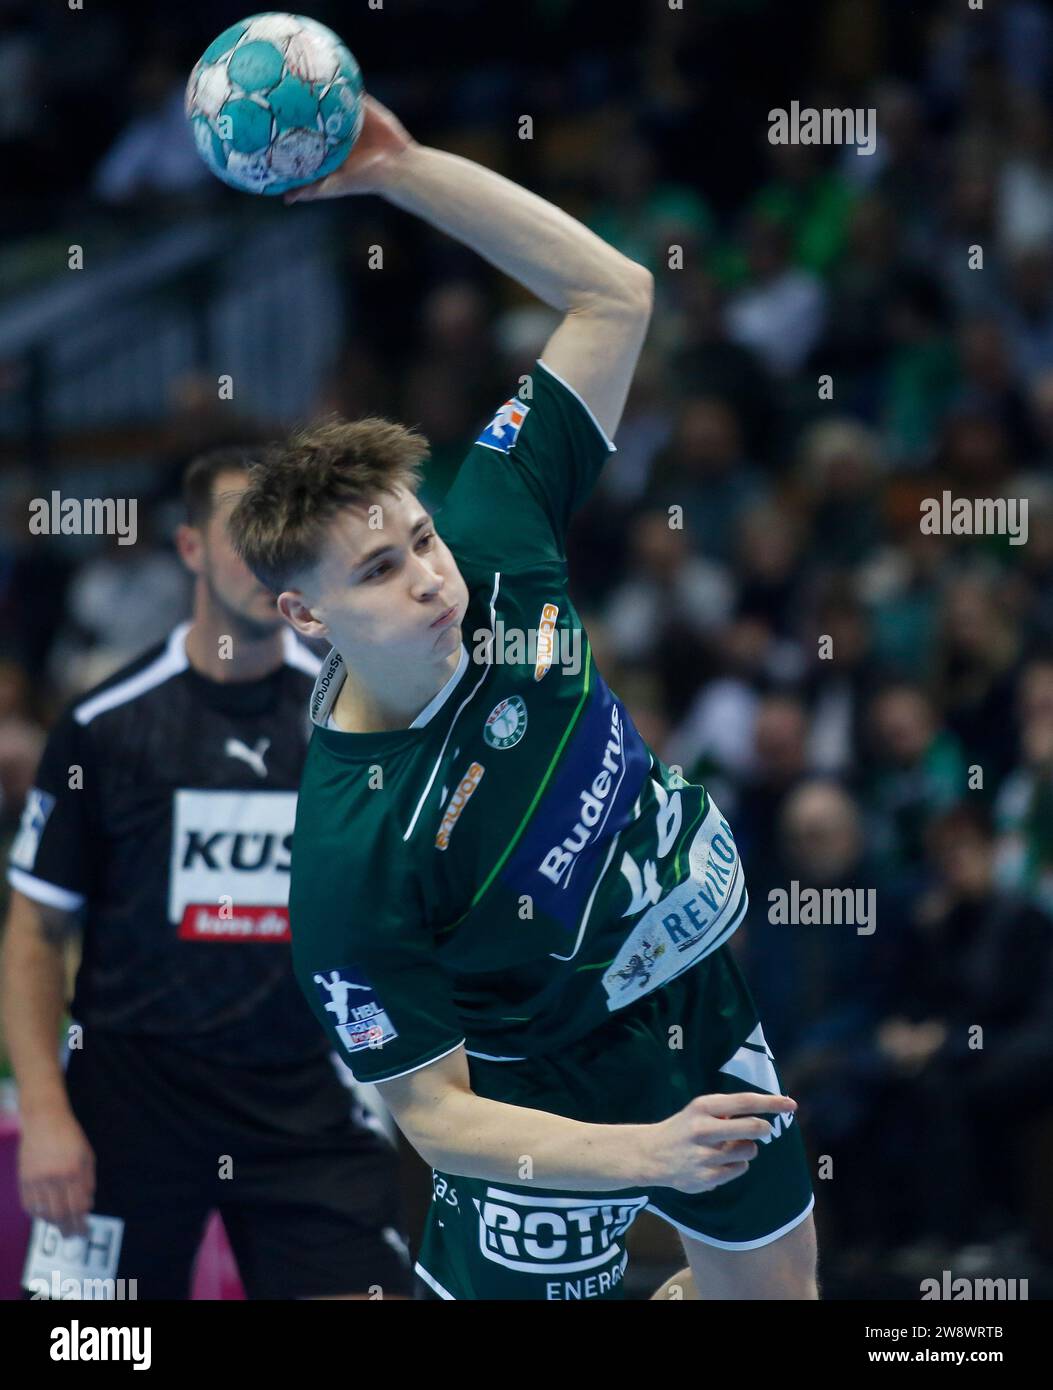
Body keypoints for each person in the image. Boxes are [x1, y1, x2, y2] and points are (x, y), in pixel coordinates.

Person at [231, 97, 818, 1302]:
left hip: (689, 1000)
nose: (429, 578)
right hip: (531, 1095)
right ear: (305, 614)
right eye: (378, 571)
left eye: (420, 539)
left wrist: (402, 169)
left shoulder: (494, 532)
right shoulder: (350, 854)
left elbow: (615, 295)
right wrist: (645, 1155)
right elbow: (435, 1117)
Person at [0, 450, 411, 1300]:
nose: (267, 556)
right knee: (89, 1350)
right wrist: (43, 1112)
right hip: (127, 1107)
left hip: (306, 1101)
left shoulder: (356, 718)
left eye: (283, 535)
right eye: (243, 533)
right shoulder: (104, 726)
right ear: (189, 548)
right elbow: (35, 929)